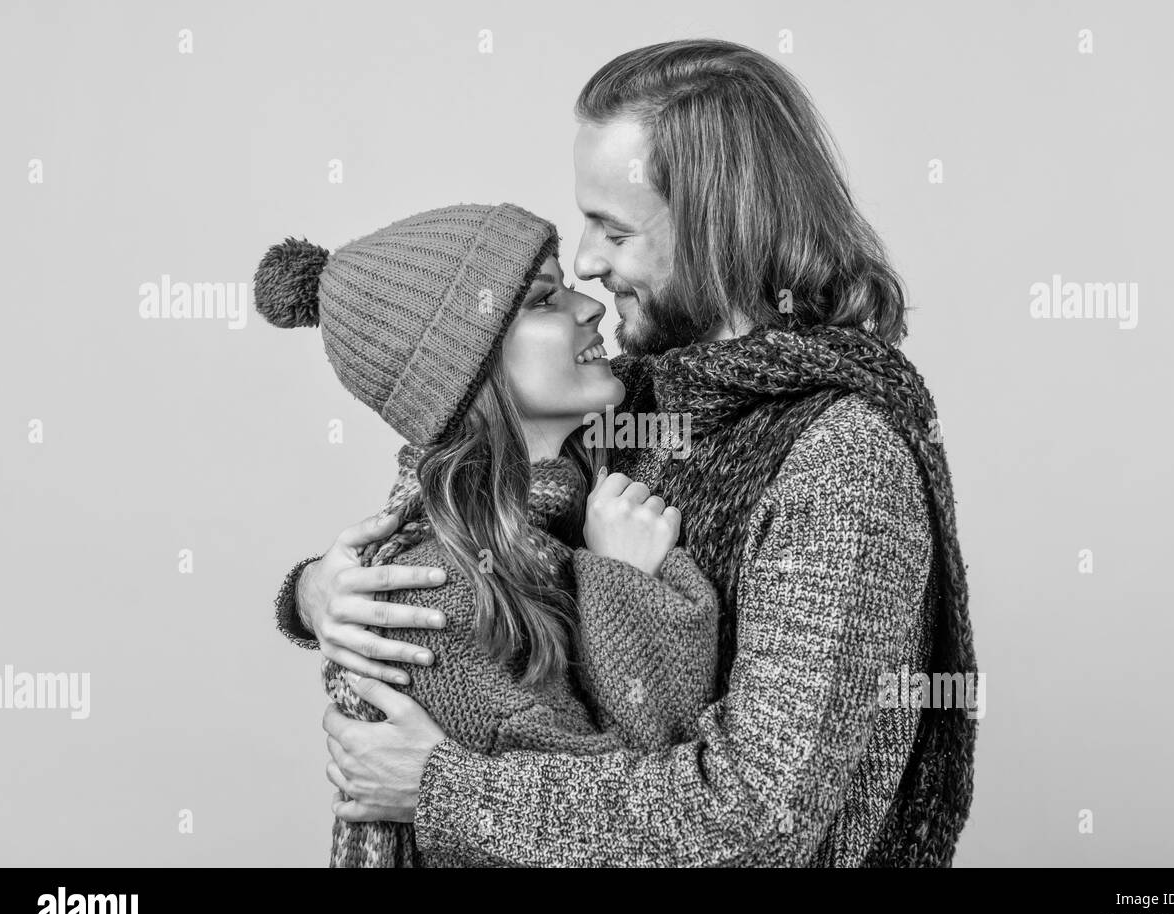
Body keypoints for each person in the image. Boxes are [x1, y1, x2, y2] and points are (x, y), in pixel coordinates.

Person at [276, 39, 979, 867]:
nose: (586, 262)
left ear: (722, 229)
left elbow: (756, 823)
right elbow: (465, 475)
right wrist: (321, 591)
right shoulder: (625, 400)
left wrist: (442, 789)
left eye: (615, 227)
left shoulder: (840, 462)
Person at [255, 202, 720, 866]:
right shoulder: (441, 602)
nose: (590, 307)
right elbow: (646, 831)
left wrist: (306, 590)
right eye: (543, 298)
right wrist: (629, 588)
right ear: (471, 372)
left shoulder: (549, 527)